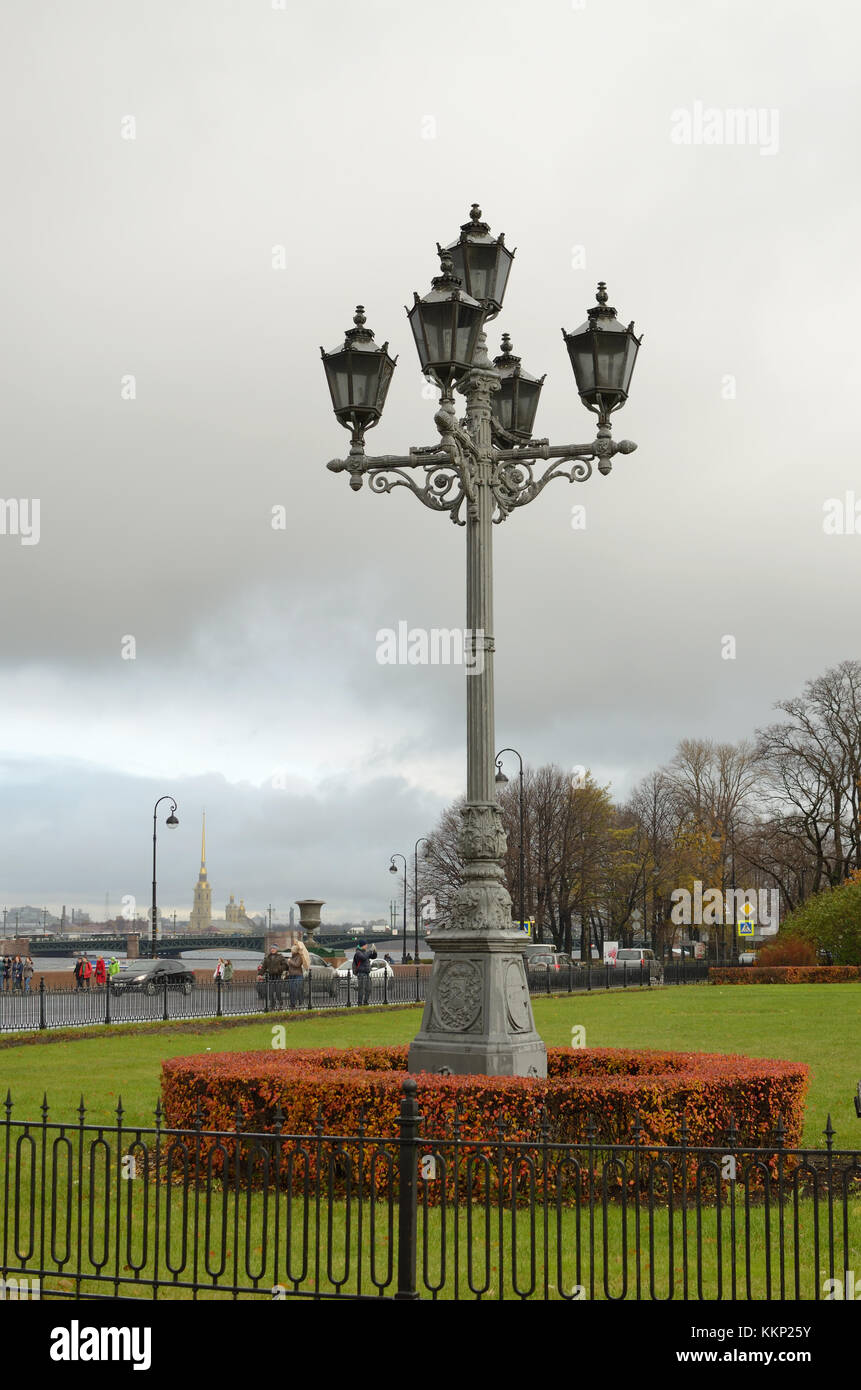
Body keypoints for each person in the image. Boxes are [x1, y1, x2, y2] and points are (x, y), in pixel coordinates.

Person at [352, 940, 377, 1007]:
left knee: (368, 989)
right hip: (361, 973)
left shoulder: (365, 952)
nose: (367, 946)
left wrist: (374, 952)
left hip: (367, 973)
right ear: (363, 945)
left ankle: (365, 1002)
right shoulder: (358, 953)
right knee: (361, 990)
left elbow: (373, 957)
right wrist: (370, 951)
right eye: (366, 945)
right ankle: (360, 1003)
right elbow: (363, 957)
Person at [286, 940, 309, 1009]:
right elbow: (291, 966)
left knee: (298, 990)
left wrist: (290, 961)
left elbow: (297, 964)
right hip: (291, 975)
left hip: (298, 975)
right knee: (291, 990)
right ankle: (292, 1003)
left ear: (295, 951)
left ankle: (300, 1002)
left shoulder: (299, 957)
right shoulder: (292, 957)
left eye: (292, 950)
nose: (291, 951)